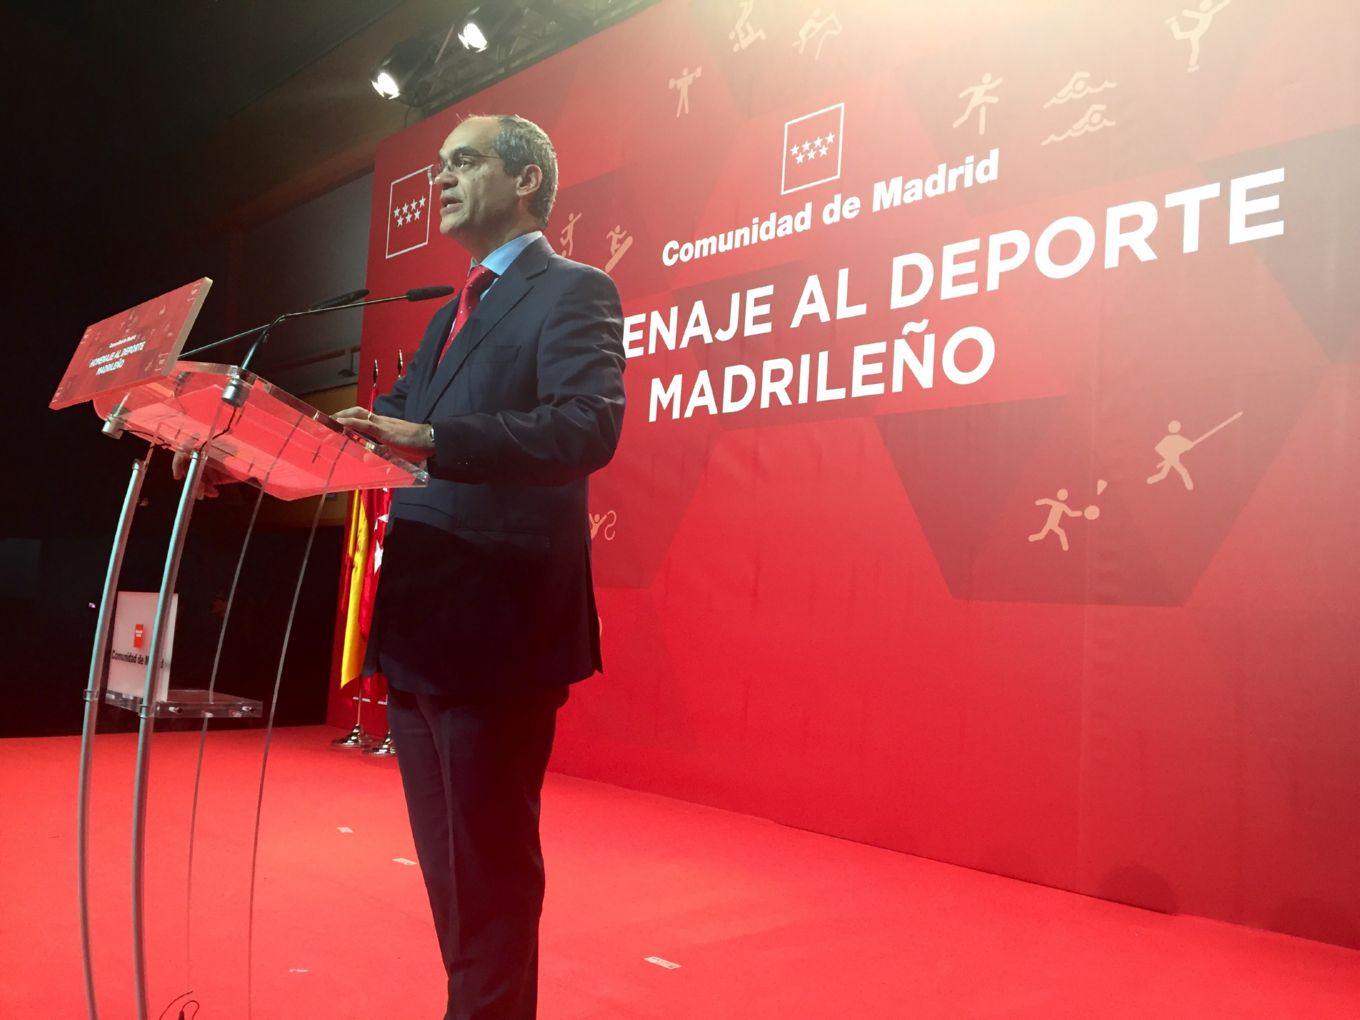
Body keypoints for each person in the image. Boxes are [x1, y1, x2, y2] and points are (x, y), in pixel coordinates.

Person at [333, 114, 626, 1018]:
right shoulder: (445, 318)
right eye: (437, 166)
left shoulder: (573, 290)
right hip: (422, 625)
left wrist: (431, 437)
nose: (440, 180)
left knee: (488, 872)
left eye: (463, 161)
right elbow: (379, 429)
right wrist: (240, 444)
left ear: (526, 178)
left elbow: (586, 426)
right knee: (452, 877)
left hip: (498, 629)